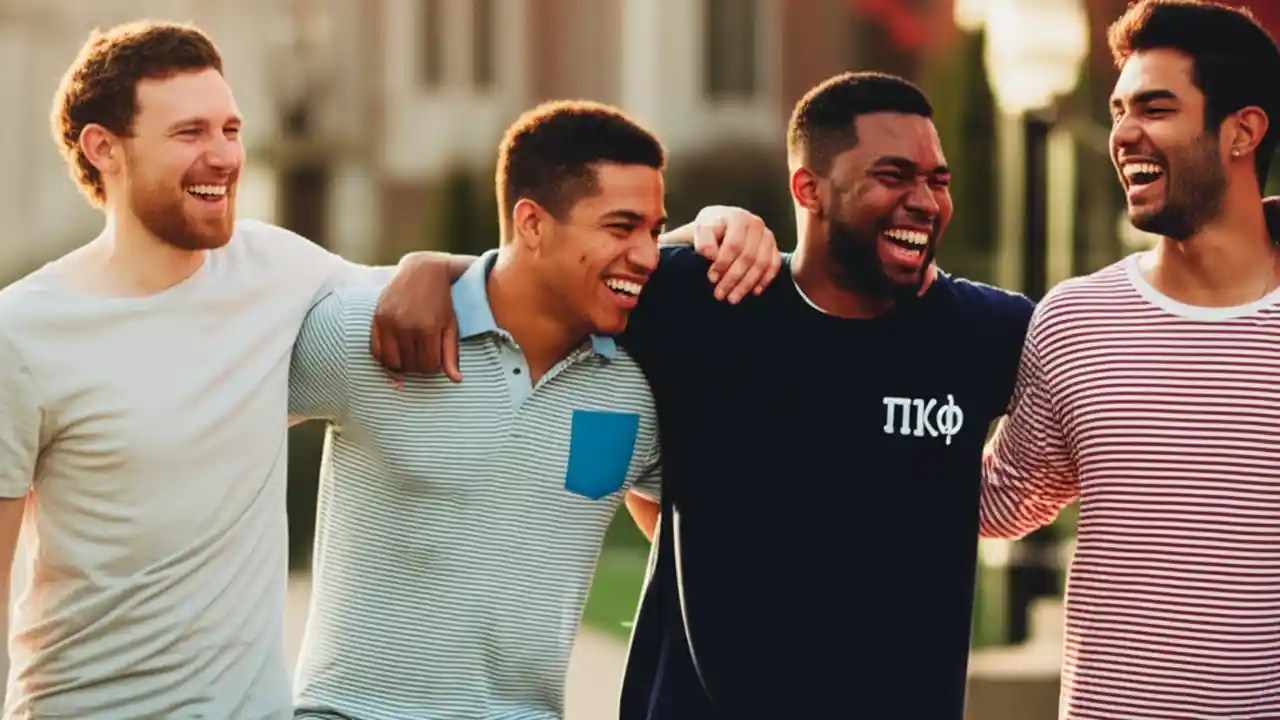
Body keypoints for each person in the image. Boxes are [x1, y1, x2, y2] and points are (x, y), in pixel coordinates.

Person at [0, 20, 463, 718]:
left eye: (231, 129)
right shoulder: (23, 332)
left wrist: (430, 262)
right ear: (104, 149)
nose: (222, 156)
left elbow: (486, 293)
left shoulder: (277, 267)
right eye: (189, 133)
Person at [286, 100, 780, 720]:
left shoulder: (636, 389)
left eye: (655, 231)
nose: (648, 255)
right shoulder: (371, 331)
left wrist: (720, 223)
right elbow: (216, 422)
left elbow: (697, 538)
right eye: (621, 227)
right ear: (533, 224)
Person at [612, 72, 1036, 719]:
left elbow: (1117, 372)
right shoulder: (712, 295)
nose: (925, 201)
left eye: (938, 180)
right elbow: (543, 283)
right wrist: (696, 228)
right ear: (808, 189)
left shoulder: (983, 331)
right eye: (893, 176)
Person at [980, 1, 1280, 717]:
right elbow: (994, 503)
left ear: (1241, 131)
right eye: (1118, 110)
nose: (1122, 133)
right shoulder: (1074, 321)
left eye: (1156, 108)